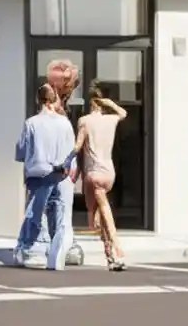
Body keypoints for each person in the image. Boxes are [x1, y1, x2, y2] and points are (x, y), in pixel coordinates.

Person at [13, 84, 76, 270]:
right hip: (61, 174)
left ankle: (36, 249)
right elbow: (72, 150)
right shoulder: (65, 123)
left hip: (39, 172)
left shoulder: (31, 123)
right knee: (58, 211)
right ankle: (59, 247)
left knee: (36, 211)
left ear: (38, 100)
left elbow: (21, 151)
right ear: (54, 100)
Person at [74, 84, 127, 270]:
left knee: (102, 212)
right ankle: (110, 256)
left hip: (93, 173)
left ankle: (115, 247)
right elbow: (123, 113)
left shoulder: (84, 121)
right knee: (102, 213)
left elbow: (78, 147)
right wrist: (110, 103)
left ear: (90, 104)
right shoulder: (110, 120)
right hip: (108, 172)